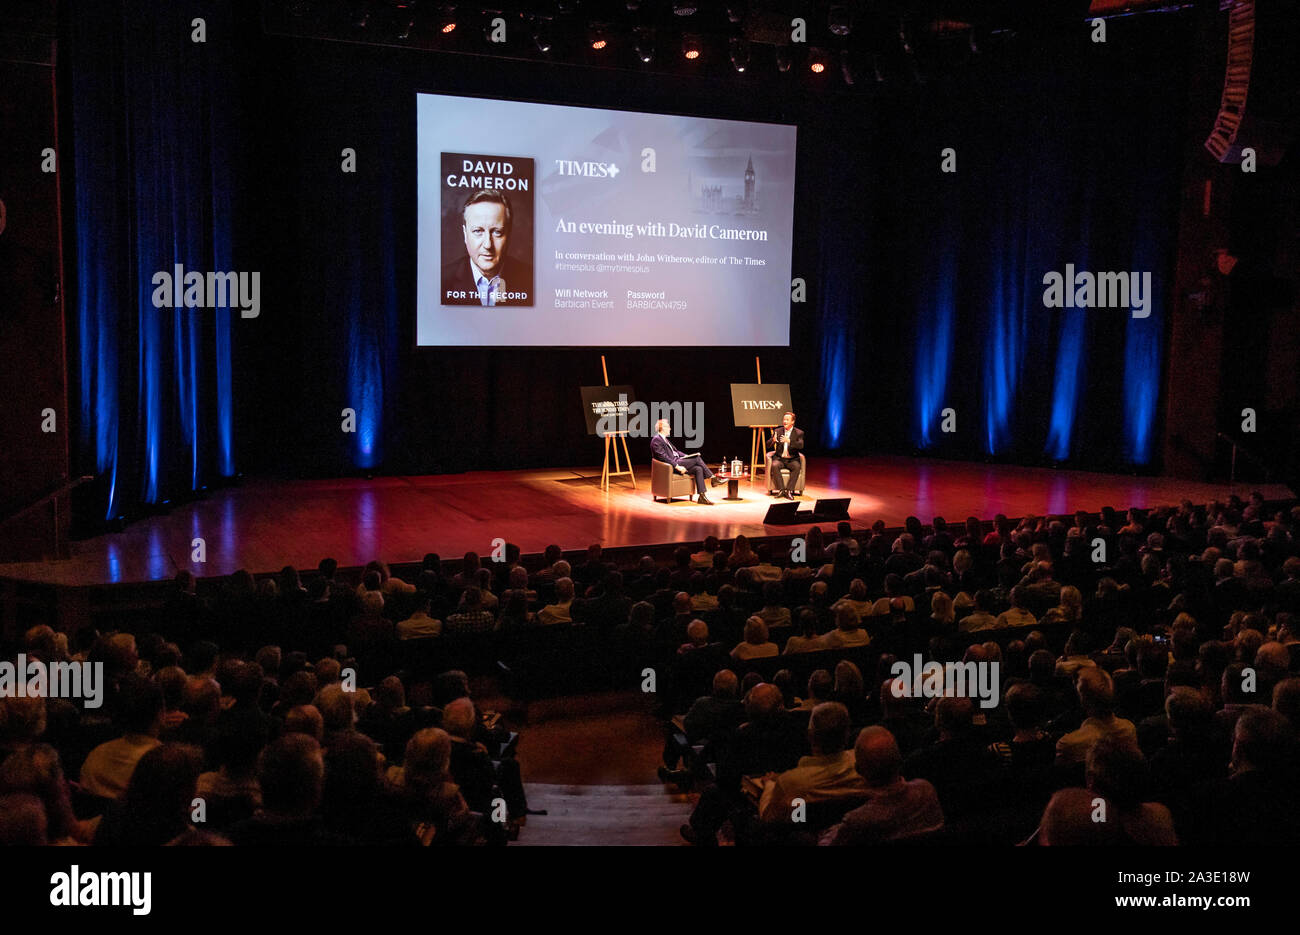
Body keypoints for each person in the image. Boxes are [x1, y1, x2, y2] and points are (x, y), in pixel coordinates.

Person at [440, 190, 533, 307]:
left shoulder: (531, 279)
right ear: (465, 234)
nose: (488, 245)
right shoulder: (441, 281)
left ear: (508, 234)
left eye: (497, 232)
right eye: (478, 231)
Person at [650, 419, 722, 505]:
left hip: (678, 461)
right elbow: (663, 457)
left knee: (698, 469)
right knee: (697, 458)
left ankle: (702, 497)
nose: (670, 428)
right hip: (673, 465)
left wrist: (687, 457)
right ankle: (713, 478)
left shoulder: (665, 440)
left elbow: (676, 452)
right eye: (668, 427)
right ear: (662, 428)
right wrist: (677, 466)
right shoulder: (656, 440)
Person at [769, 411, 805, 500]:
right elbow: (767, 445)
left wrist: (789, 441)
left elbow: (801, 445)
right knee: (774, 465)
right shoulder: (777, 431)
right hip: (780, 459)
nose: (785, 421)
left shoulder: (799, 433)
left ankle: (789, 491)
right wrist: (773, 440)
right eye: (784, 419)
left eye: (787, 420)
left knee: (797, 467)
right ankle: (781, 490)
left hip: (792, 459)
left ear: (792, 422)